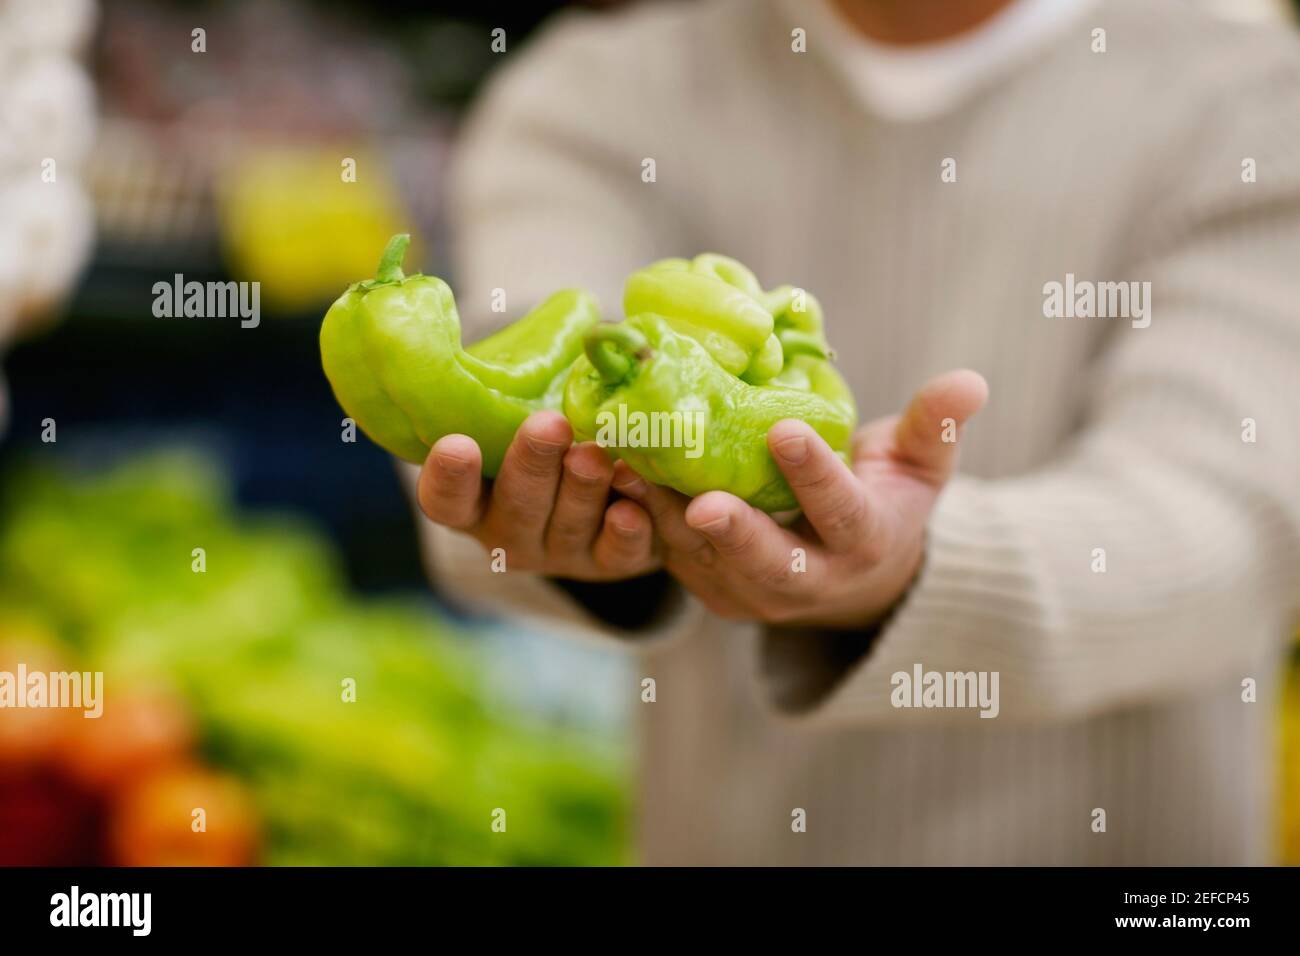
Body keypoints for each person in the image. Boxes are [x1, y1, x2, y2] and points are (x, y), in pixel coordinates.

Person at [411, 0, 1300, 864]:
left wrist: (916, 571)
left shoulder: (1254, 101)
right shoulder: (595, 90)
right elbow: (526, 363)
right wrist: (573, 510)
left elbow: (1233, 517)